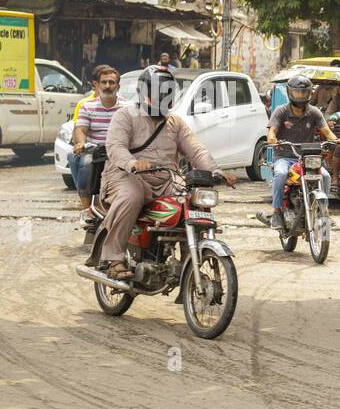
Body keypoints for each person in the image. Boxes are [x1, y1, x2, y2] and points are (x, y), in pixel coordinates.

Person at [96, 67, 238, 279]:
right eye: (158, 96)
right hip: (125, 176)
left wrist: (216, 171)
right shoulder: (124, 115)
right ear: (144, 93)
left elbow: (196, 150)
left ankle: (190, 260)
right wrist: (133, 163)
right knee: (131, 196)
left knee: (194, 197)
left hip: (166, 178)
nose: (162, 102)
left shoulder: (175, 122)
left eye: (166, 97)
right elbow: (115, 148)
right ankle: (114, 258)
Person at [262, 74, 340, 229]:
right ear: (290, 93)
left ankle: (324, 211)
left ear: (309, 93)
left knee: (325, 176)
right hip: (285, 157)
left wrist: (336, 140)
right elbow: (272, 131)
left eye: (303, 92)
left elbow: (326, 131)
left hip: (308, 157)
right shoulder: (281, 111)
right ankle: (277, 212)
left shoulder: (314, 112)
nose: (300, 96)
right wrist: (272, 138)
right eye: (297, 92)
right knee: (280, 174)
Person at [69, 65, 122, 213]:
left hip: (119, 151)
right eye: (104, 82)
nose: (107, 86)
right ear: (97, 85)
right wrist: (81, 143)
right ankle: (87, 210)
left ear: (118, 86)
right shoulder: (87, 106)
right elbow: (80, 129)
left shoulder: (128, 107)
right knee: (84, 163)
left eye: (111, 83)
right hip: (95, 151)